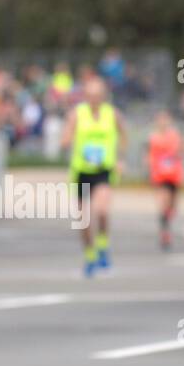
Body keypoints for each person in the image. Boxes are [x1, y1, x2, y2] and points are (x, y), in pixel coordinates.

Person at [61, 75, 124, 277]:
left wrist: (120, 158)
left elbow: (124, 135)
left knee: (102, 210)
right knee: (84, 220)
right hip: (81, 171)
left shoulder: (112, 114)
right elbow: (65, 138)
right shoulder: (76, 115)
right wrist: (67, 141)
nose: (94, 99)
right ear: (85, 96)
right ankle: (90, 255)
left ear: (104, 96)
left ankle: (103, 246)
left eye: (98, 95)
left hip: (104, 170)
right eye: (90, 95)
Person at [147, 110, 184, 249]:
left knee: (173, 206)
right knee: (163, 204)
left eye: (165, 119)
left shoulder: (175, 135)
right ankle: (165, 233)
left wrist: (179, 154)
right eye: (160, 120)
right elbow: (148, 155)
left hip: (174, 175)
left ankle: (167, 219)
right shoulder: (153, 137)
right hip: (160, 176)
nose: (163, 122)